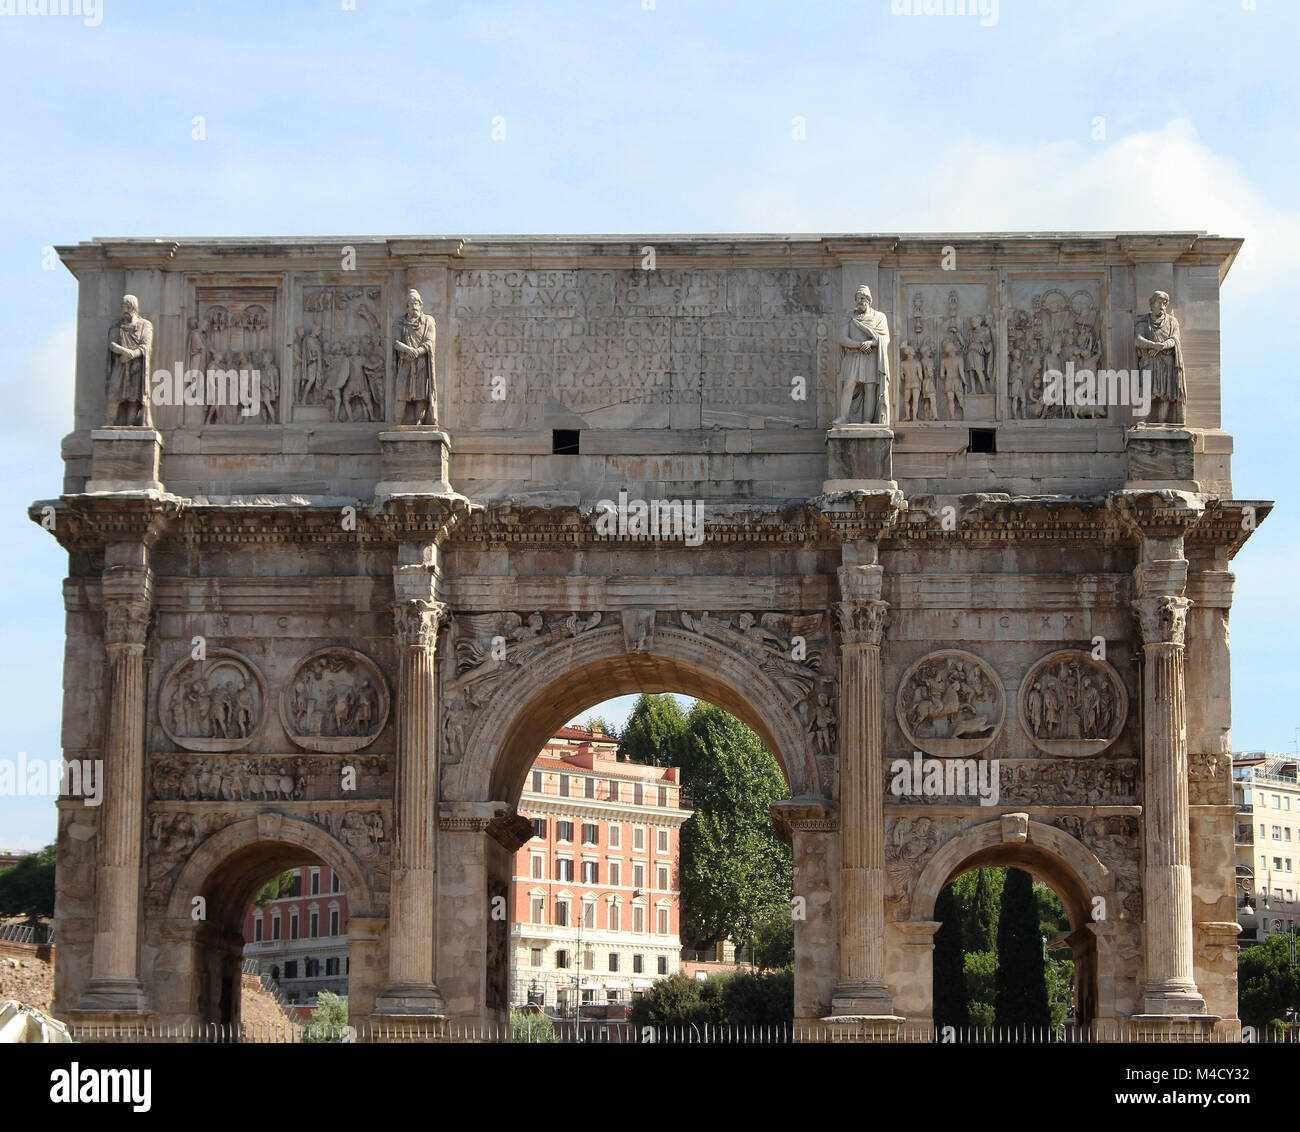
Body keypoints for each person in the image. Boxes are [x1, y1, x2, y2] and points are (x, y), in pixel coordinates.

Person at [833, 285, 890, 425]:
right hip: (852, 355)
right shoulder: (849, 316)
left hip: (870, 356)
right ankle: (844, 417)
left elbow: (885, 338)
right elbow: (842, 338)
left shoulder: (879, 317)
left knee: (870, 387)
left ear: (869, 300)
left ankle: (867, 421)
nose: (860, 301)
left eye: (863, 298)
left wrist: (871, 343)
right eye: (858, 298)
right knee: (848, 385)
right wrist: (858, 345)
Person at [1134, 290, 1185, 423]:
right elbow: (1138, 340)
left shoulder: (1172, 322)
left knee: (1165, 394)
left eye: (1164, 303)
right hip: (1149, 360)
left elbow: (1175, 339)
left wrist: (1161, 346)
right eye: (1159, 302)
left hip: (1166, 361)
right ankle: (1143, 419)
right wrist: (1153, 345)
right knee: (1146, 389)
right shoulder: (1144, 321)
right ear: (1152, 304)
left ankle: (1162, 421)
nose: (1162, 306)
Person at [107, 294, 154, 426]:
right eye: (123, 307)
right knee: (114, 391)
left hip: (136, 365)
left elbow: (146, 345)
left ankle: (130, 423)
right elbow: (111, 343)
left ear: (134, 307)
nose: (125, 310)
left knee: (134, 396)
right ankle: (110, 421)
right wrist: (125, 352)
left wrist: (133, 354)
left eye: (128, 307)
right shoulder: (117, 326)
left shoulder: (145, 325)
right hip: (121, 363)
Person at [394, 289, 438, 425]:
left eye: (416, 303)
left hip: (421, 363)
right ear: (406, 307)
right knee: (401, 392)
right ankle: (398, 421)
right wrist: (408, 349)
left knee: (421, 394)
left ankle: (419, 422)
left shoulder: (428, 321)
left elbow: (430, 341)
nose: (414, 307)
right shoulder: (400, 322)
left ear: (421, 305)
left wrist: (418, 351)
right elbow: (395, 342)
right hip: (406, 361)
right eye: (411, 304)